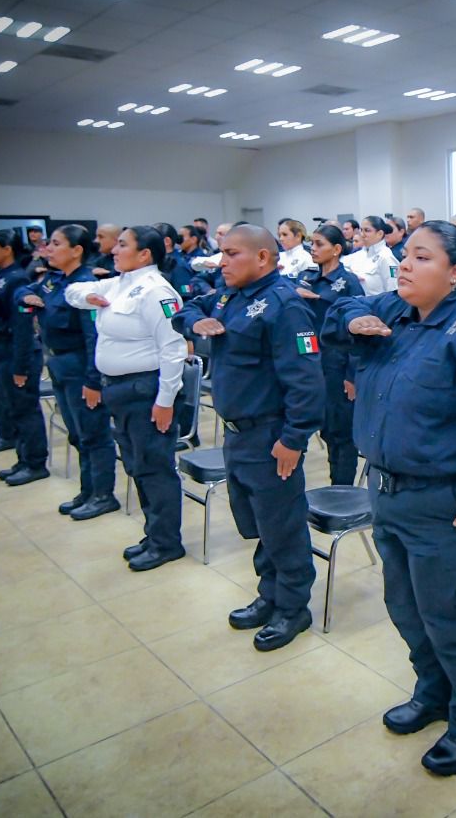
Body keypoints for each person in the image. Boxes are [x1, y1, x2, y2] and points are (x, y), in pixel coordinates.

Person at [321, 220, 456, 777]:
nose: (405, 266)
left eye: (421, 257)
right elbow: (333, 312)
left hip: (449, 505)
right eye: (403, 256)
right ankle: (433, 691)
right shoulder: (393, 312)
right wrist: (352, 316)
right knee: (407, 609)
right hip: (389, 493)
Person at [174, 224, 326, 649]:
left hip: (270, 435)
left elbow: (306, 380)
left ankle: (293, 608)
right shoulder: (227, 296)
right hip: (237, 434)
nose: (222, 261)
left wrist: (294, 438)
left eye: (231, 253)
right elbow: (184, 310)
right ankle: (270, 595)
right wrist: (195, 320)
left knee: (283, 526)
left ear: (263, 257)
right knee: (260, 525)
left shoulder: (284, 305)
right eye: (221, 253)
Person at [66, 225, 188, 571]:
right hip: (119, 391)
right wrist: (88, 298)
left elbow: (173, 349)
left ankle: (167, 542)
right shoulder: (118, 283)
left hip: (146, 391)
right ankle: (154, 534)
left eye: (122, 245)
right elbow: (72, 291)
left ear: (145, 254)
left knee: (154, 467)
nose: (114, 251)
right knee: (136, 466)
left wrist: (165, 401)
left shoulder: (155, 291)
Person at [16, 225, 119, 519]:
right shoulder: (53, 281)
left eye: (56, 243)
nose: (48, 248)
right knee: (77, 433)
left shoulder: (87, 285)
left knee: (93, 433)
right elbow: (22, 290)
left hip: (79, 365)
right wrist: (25, 298)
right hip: (59, 364)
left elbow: (93, 338)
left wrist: (93, 381)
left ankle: (102, 494)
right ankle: (87, 490)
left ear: (76, 250)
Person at [0, 229, 49, 485]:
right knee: (11, 408)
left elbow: (22, 327)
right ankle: (22, 458)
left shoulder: (17, 280)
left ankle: (35, 462)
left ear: (7, 249)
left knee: (24, 409)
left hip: (15, 352)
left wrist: (20, 366)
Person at [295, 224, 365, 484]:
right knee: (310, 426)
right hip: (308, 364)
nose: (313, 248)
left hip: (337, 363)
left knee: (339, 435)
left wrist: (352, 375)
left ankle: (342, 492)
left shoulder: (348, 283)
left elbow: (359, 331)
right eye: (311, 243)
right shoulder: (306, 276)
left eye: (319, 244)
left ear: (336, 249)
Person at [343, 216, 398, 295]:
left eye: (367, 230)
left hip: (376, 305)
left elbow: (393, 291)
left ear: (380, 234)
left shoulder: (386, 257)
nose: (362, 234)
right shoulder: (359, 255)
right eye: (361, 230)